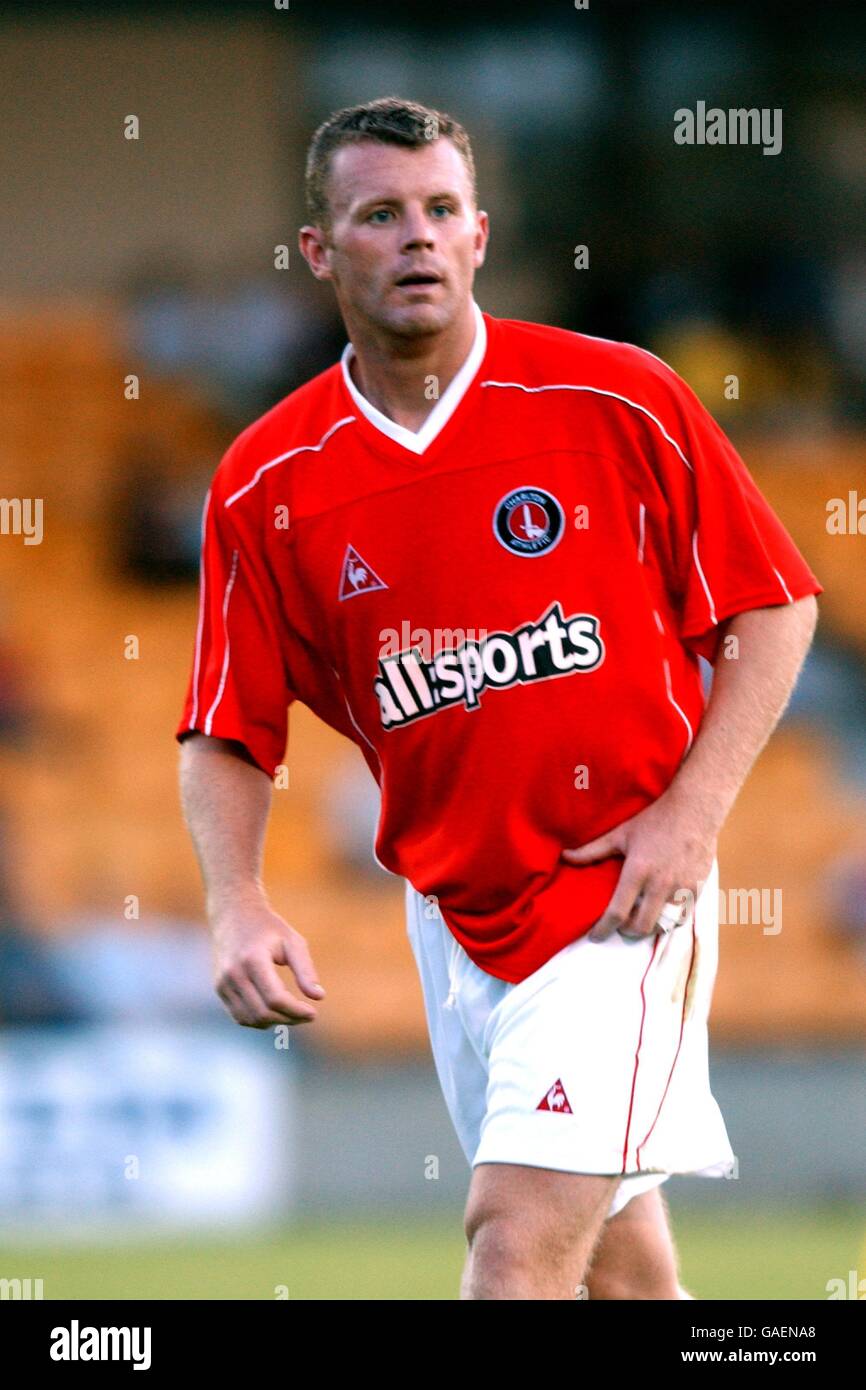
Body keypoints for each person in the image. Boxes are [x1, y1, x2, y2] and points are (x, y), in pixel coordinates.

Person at [175, 97, 822, 1300]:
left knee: (512, 1250)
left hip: (622, 899)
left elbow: (773, 604)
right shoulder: (266, 478)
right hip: (456, 916)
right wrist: (237, 901)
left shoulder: (615, 397)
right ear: (321, 250)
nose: (416, 238)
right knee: (623, 1286)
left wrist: (691, 817)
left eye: (439, 211)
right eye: (380, 215)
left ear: (479, 233)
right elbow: (225, 720)